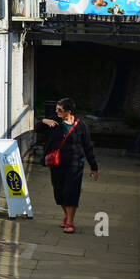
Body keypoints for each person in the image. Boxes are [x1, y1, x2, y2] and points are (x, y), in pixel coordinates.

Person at [36, 98, 99, 233]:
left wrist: (94, 167)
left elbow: (88, 147)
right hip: (57, 164)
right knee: (59, 194)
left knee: (71, 192)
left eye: (60, 110)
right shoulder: (54, 121)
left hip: (75, 164)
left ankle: (70, 222)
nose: (57, 111)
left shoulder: (81, 126)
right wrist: (44, 120)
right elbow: (37, 129)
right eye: (56, 109)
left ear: (69, 112)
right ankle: (67, 215)